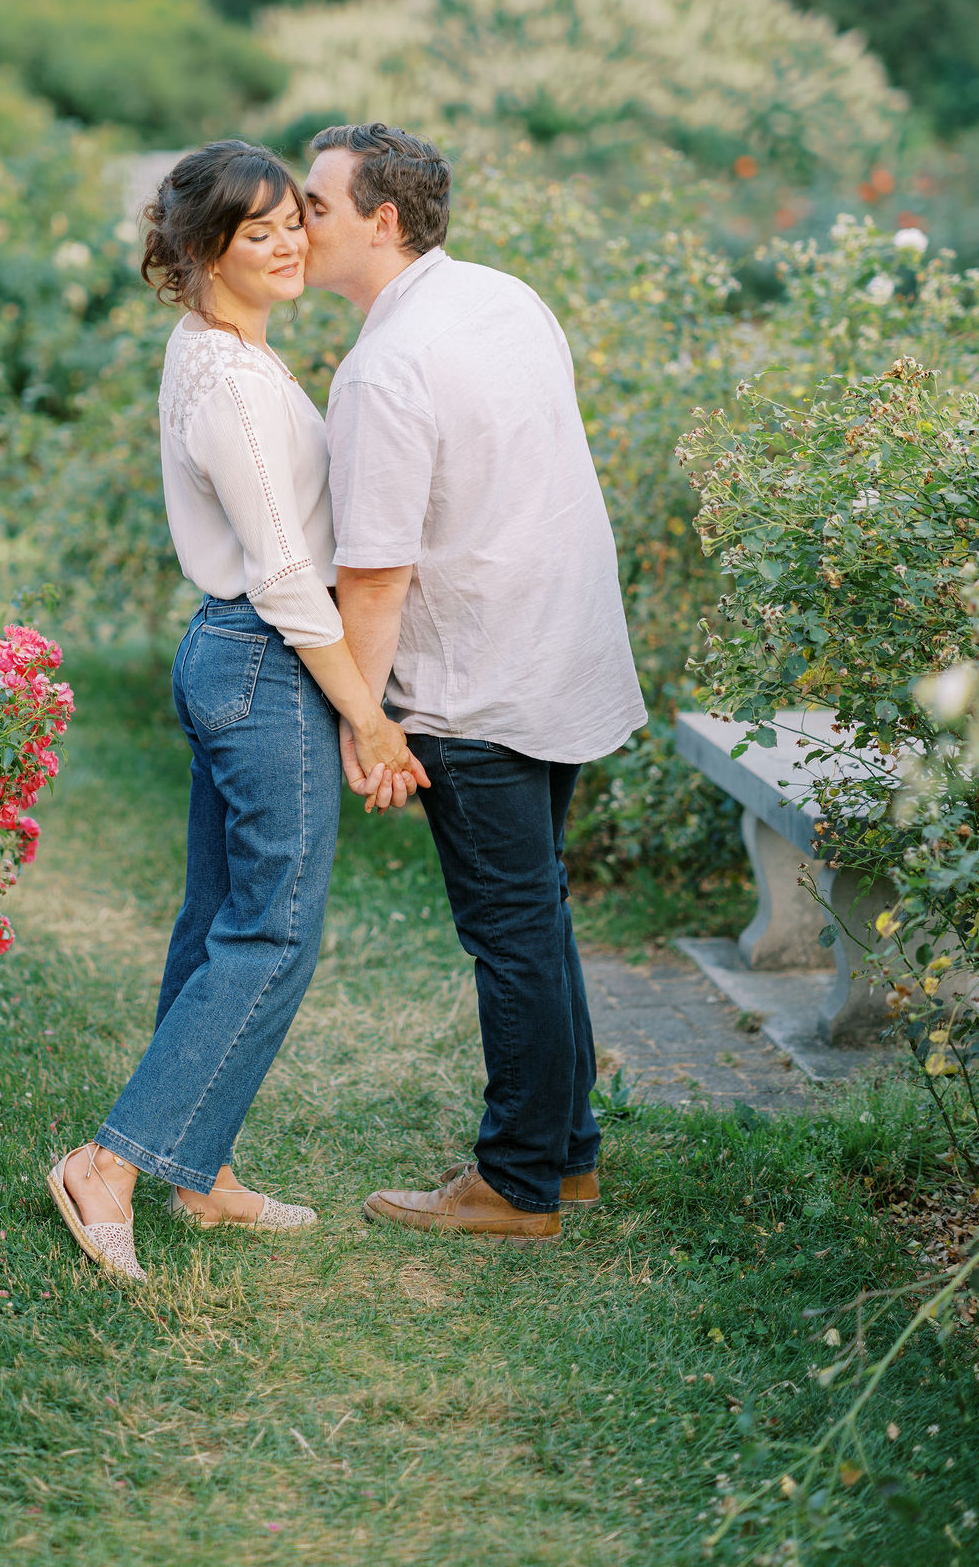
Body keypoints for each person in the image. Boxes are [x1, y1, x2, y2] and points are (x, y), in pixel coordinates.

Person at [47, 139, 427, 1283]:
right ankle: (109, 1165)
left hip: (239, 656)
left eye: (291, 221)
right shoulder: (233, 386)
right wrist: (367, 715)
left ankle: (194, 1166)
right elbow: (281, 573)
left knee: (220, 919)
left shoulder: (224, 354)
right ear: (201, 249)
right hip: (264, 659)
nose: (288, 241)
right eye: (254, 229)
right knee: (269, 932)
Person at [301, 122, 647, 1241]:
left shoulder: (382, 369)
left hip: (478, 680)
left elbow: (376, 577)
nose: (295, 224)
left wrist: (366, 722)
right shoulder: (505, 295)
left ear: (380, 220)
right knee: (537, 912)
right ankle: (569, 1154)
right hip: (562, 645)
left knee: (509, 929)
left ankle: (514, 1181)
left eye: (315, 204)